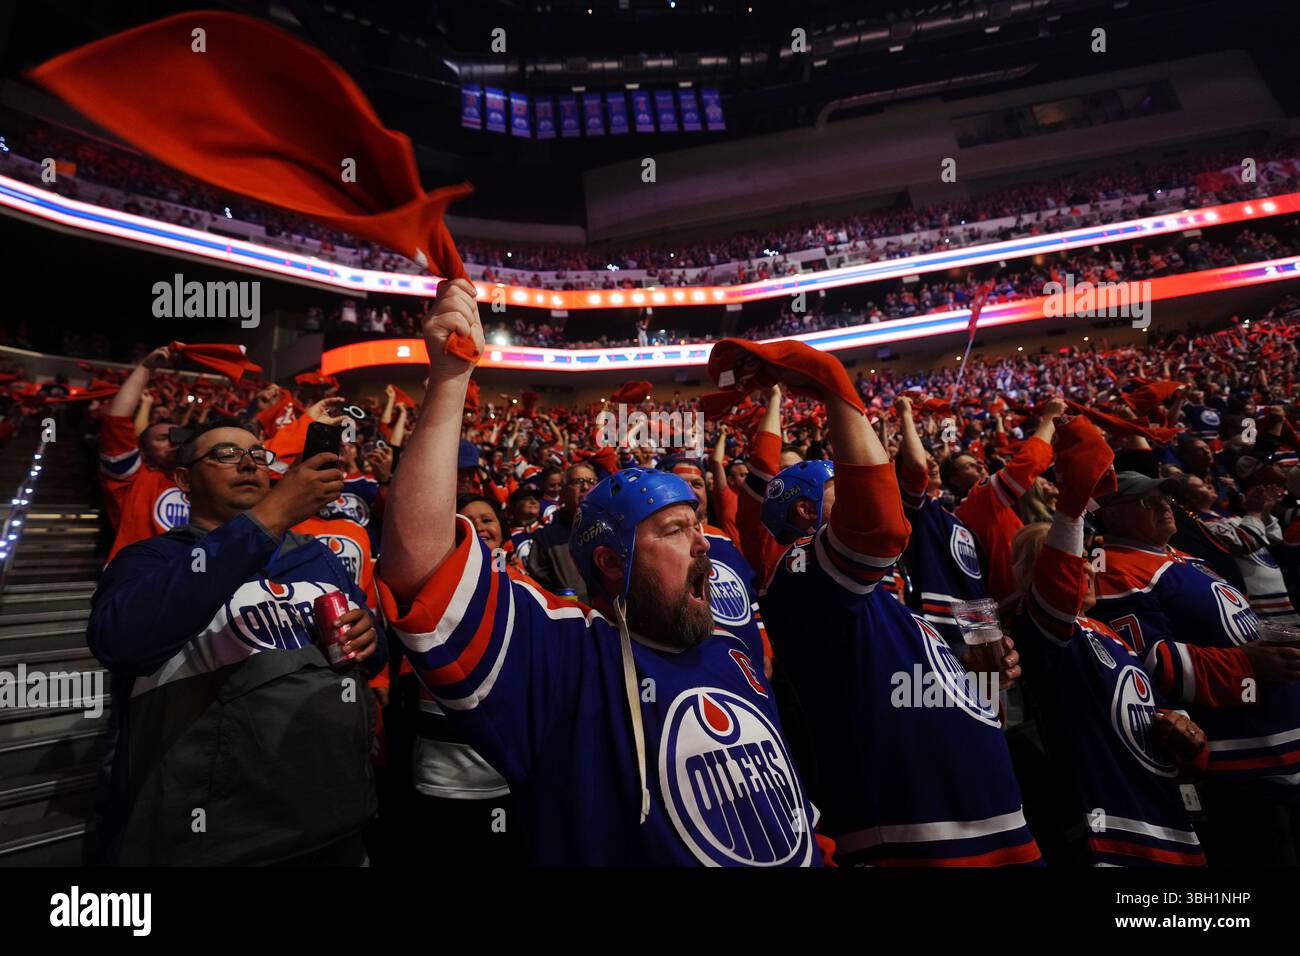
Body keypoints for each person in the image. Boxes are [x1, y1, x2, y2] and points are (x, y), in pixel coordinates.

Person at [378, 278, 830, 865]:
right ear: (613, 563)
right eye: (674, 530)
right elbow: (421, 568)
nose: (704, 545)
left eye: (698, 525)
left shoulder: (734, 654)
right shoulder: (567, 658)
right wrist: (448, 381)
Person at [757, 362, 1039, 866]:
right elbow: (880, 522)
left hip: (988, 821)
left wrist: (978, 678)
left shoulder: (886, 598)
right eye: (841, 493)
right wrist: (836, 390)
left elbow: (921, 683)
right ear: (805, 513)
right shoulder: (800, 571)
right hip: (917, 837)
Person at [87, 419, 385, 865]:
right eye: (225, 454)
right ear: (184, 479)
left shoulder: (316, 556)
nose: (248, 463)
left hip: (337, 820)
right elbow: (121, 642)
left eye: (257, 454)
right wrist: (267, 519)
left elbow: (370, 651)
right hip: (217, 840)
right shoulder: (151, 561)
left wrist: (371, 636)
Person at [1011, 419, 1208, 866]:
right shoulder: (1037, 629)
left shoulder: (1110, 632)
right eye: (1069, 559)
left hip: (1169, 816)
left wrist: (1189, 739)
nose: (1085, 567)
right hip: (1108, 831)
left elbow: (1154, 713)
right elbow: (1055, 586)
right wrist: (1074, 505)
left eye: (1085, 558)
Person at [1092, 471, 1300, 865]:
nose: (1163, 506)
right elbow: (1147, 662)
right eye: (1147, 501)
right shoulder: (1112, 570)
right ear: (1112, 515)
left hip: (1278, 747)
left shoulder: (1184, 557)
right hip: (1238, 768)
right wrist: (1245, 663)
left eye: (1164, 498)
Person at [98, 344, 187, 561]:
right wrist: (146, 368)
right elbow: (116, 421)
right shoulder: (131, 480)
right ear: (143, 452)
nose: (173, 443)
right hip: (140, 581)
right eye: (162, 438)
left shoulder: (201, 482)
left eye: (177, 437)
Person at [521, 460, 597, 601]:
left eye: (591, 481)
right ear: (562, 493)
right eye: (577, 482)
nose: (585, 486)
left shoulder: (613, 527)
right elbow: (539, 588)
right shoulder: (546, 537)